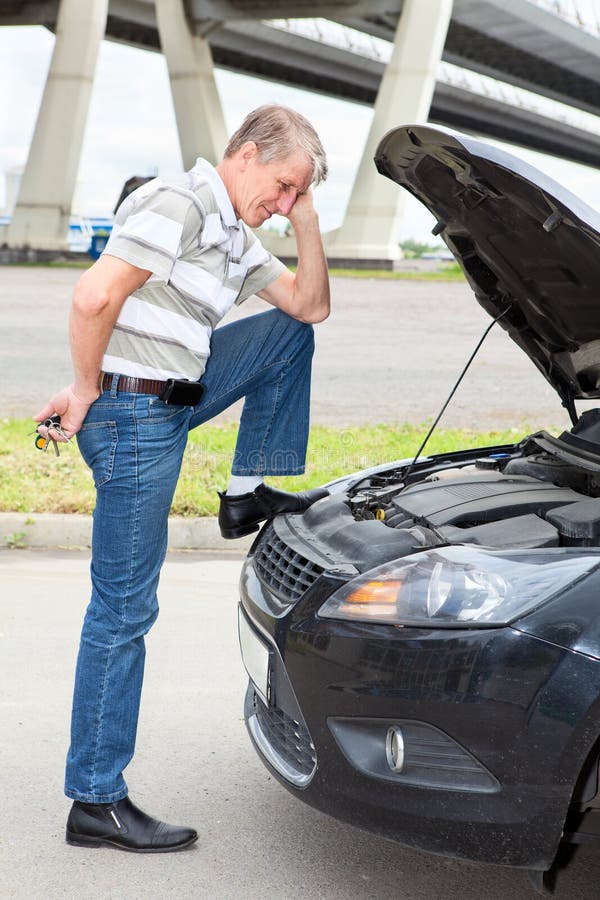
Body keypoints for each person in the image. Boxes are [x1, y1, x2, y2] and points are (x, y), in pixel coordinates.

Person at [34, 105, 330, 852]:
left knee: (288, 333)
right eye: (285, 184)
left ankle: (243, 493)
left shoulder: (235, 234)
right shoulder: (183, 201)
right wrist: (83, 388)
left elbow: (311, 305)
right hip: (132, 416)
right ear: (249, 154)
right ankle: (96, 800)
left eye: (298, 194)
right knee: (124, 611)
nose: (285, 202)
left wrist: (305, 218)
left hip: (174, 399)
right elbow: (93, 296)